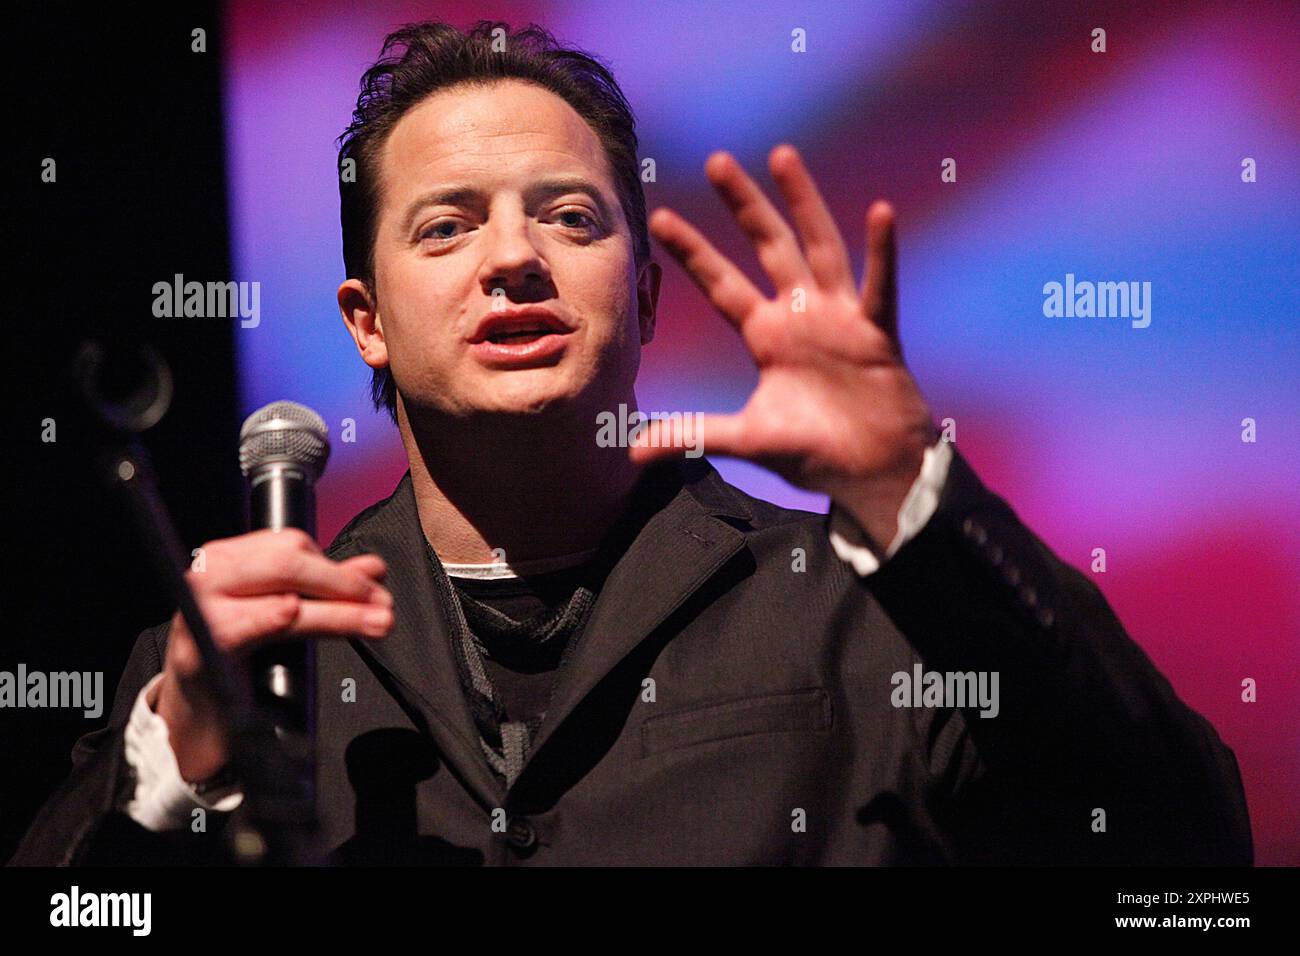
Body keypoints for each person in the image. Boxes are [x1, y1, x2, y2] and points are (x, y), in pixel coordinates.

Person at [11, 20, 1251, 866]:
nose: (513, 255)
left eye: (568, 215)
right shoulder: (231, 664)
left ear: (647, 296)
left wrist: (907, 492)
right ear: (366, 320)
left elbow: (1182, 849)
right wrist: (169, 776)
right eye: (445, 226)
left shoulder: (862, 612)